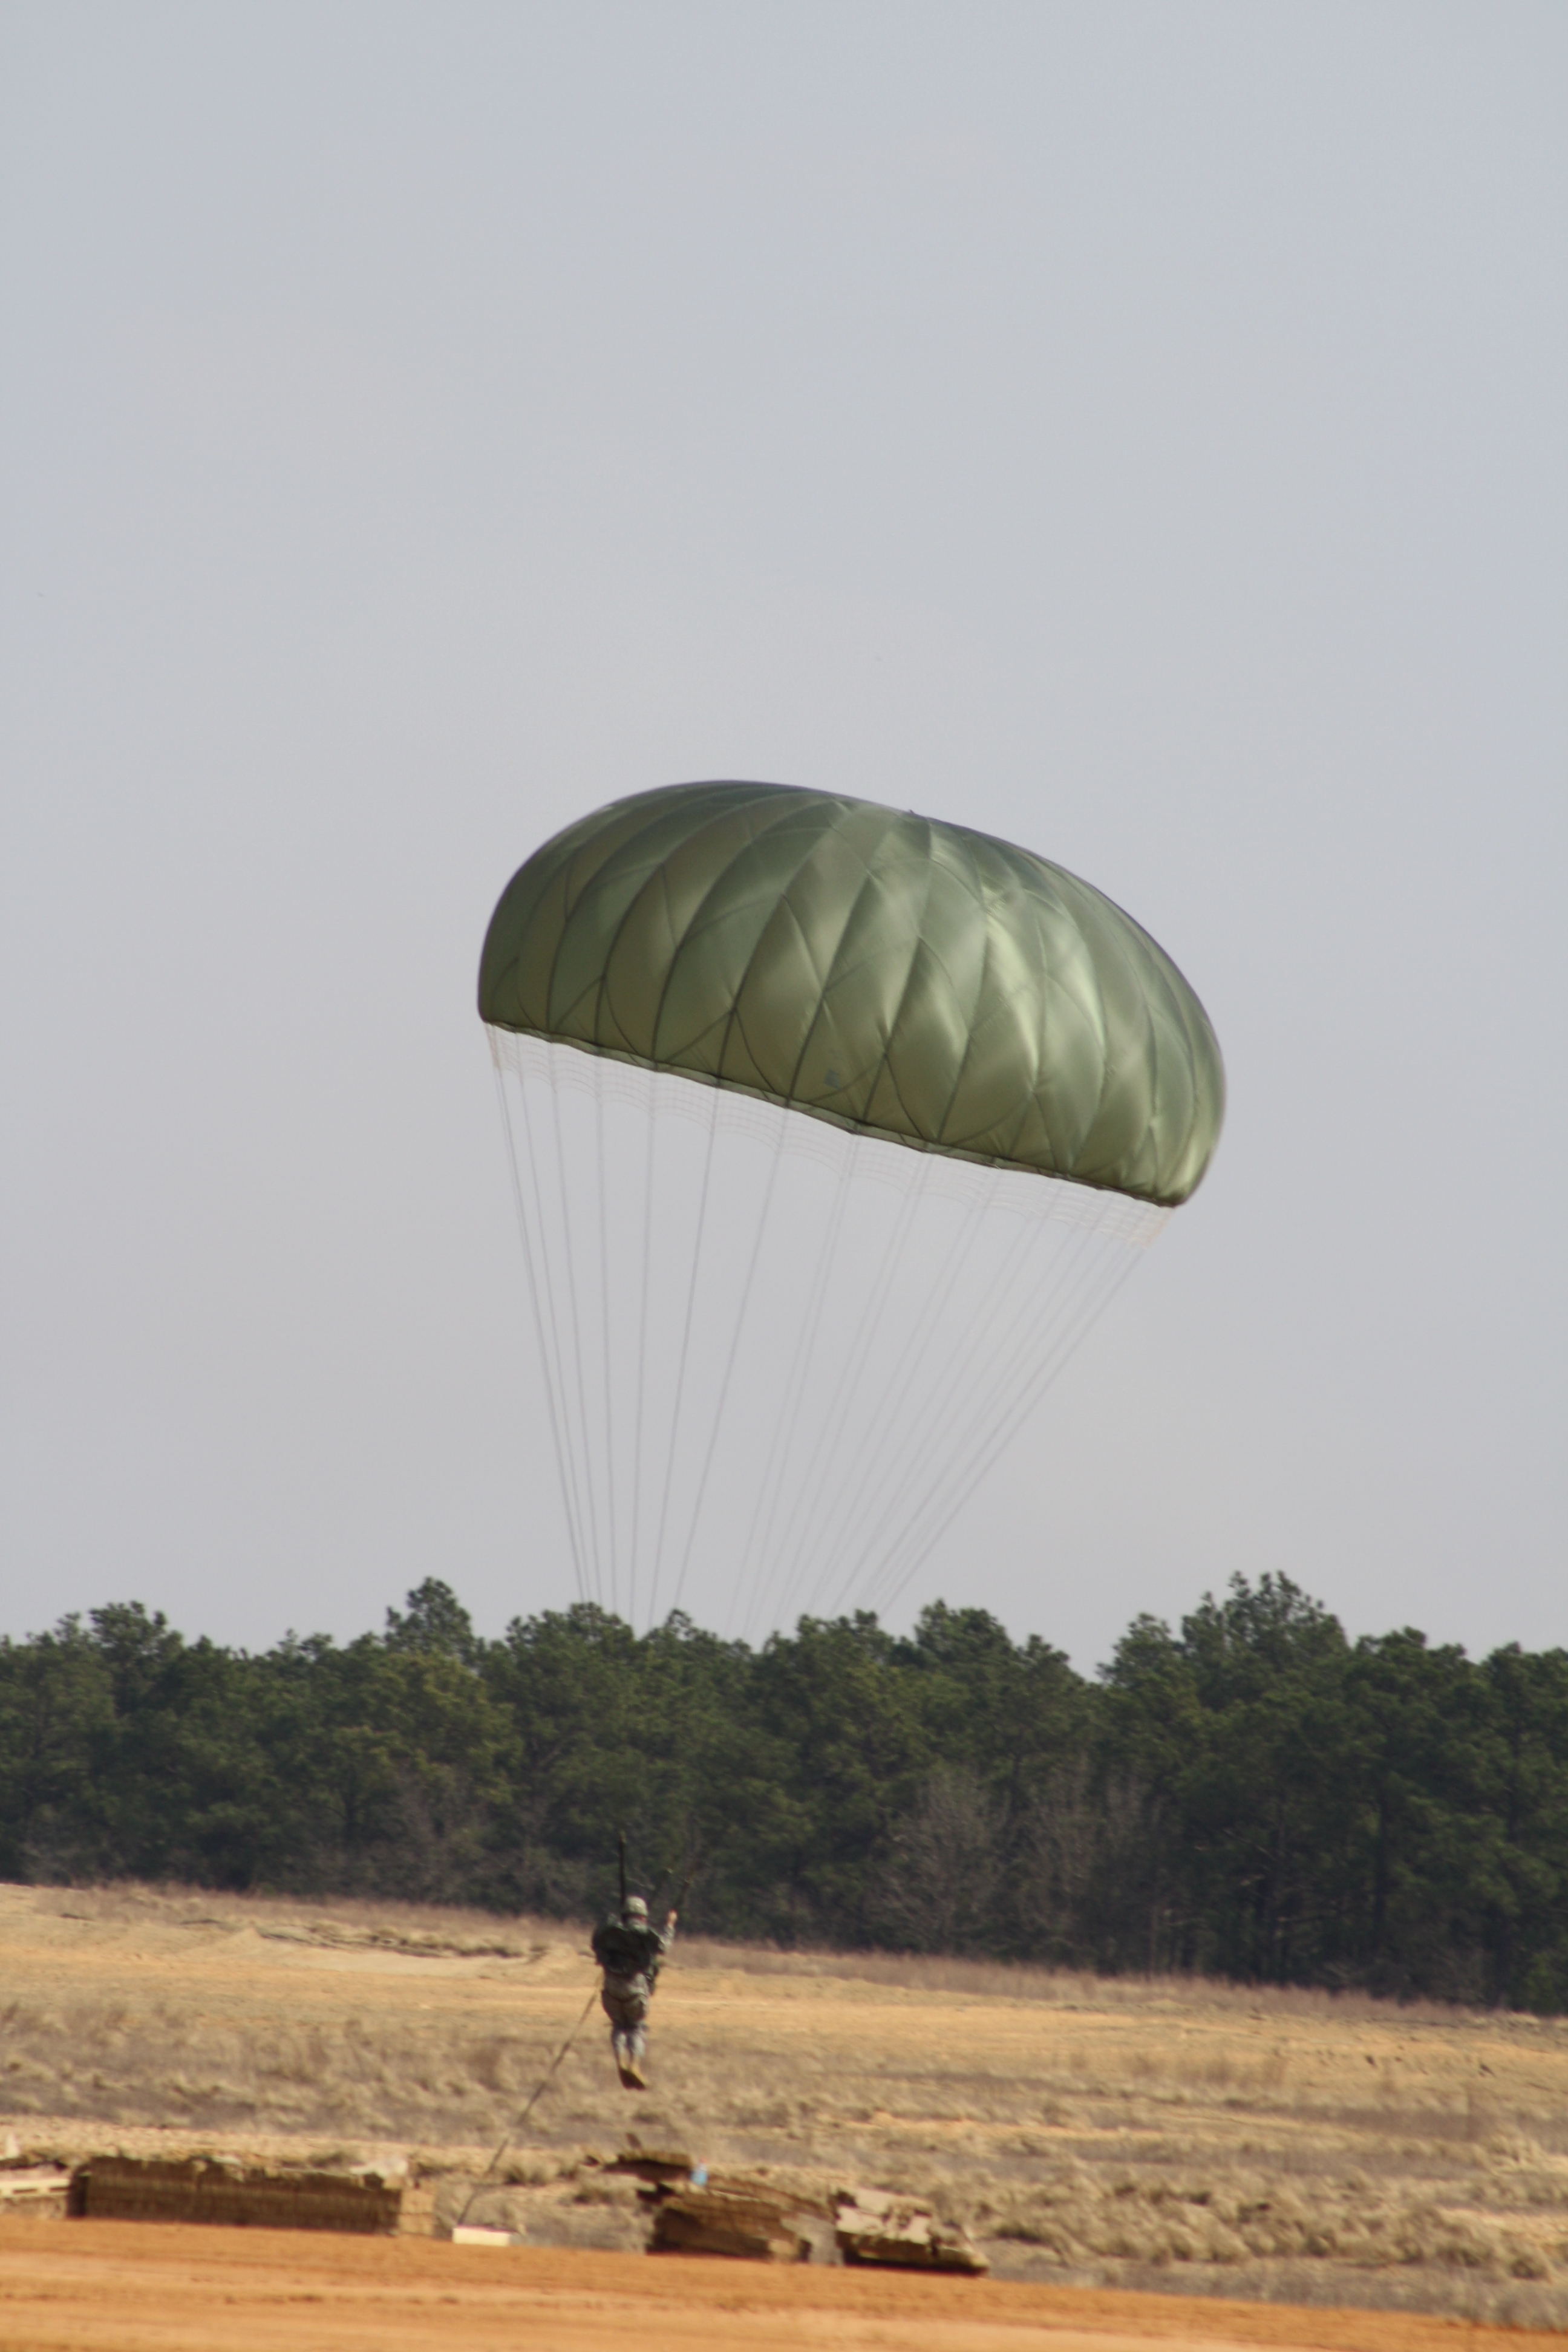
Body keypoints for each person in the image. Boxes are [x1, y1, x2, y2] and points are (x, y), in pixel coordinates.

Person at [591, 1893, 676, 2089]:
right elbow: (663, 1946)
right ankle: (634, 2065)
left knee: (619, 2025)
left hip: (611, 1991)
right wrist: (670, 1924)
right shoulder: (645, 1935)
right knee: (636, 2027)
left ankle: (620, 2060)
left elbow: (597, 1944)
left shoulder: (609, 1934)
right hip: (635, 1991)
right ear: (642, 1916)